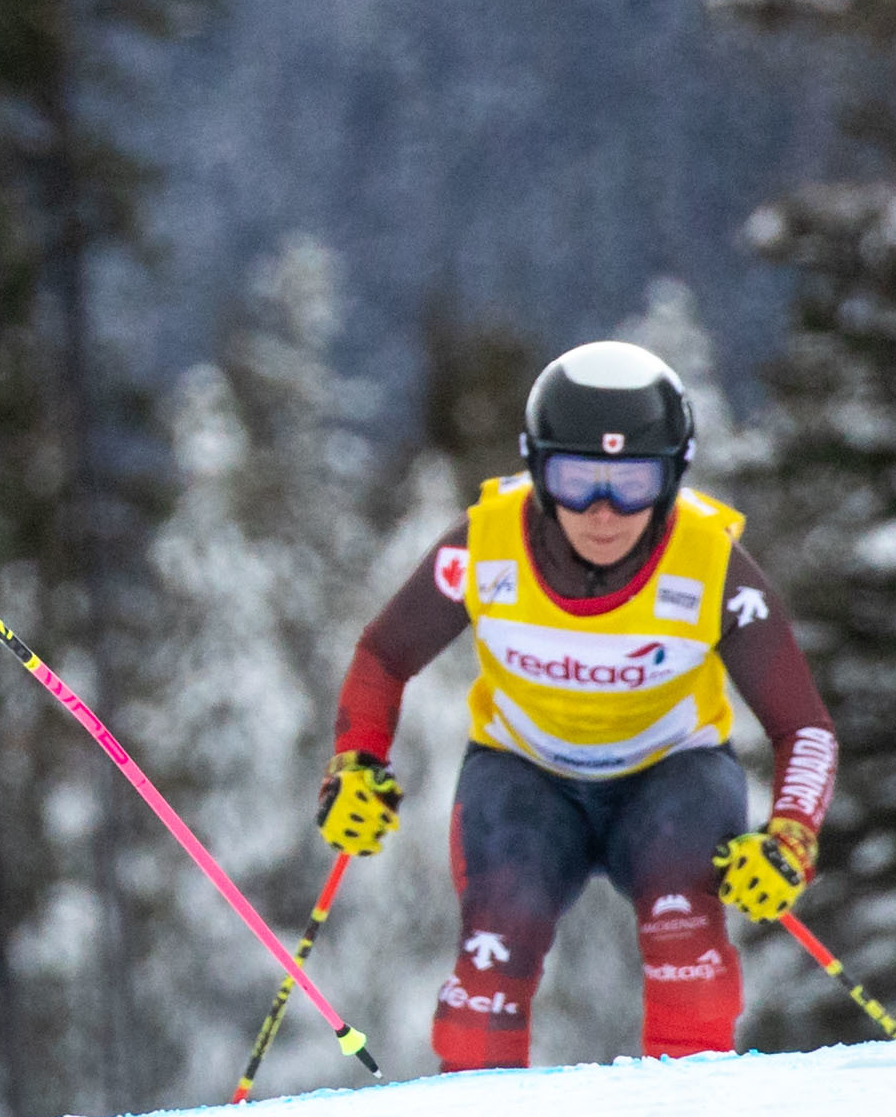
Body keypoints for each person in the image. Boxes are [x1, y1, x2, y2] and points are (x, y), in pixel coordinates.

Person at [322, 341, 837, 1068]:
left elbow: (802, 727)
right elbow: (384, 656)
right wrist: (355, 763)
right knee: (489, 963)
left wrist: (791, 836)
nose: (603, 513)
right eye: (576, 480)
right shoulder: (485, 545)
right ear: (537, 470)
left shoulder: (710, 562)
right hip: (525, 778)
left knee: (686, 942)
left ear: (672, 476)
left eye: (632, 482)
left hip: (672, 777)